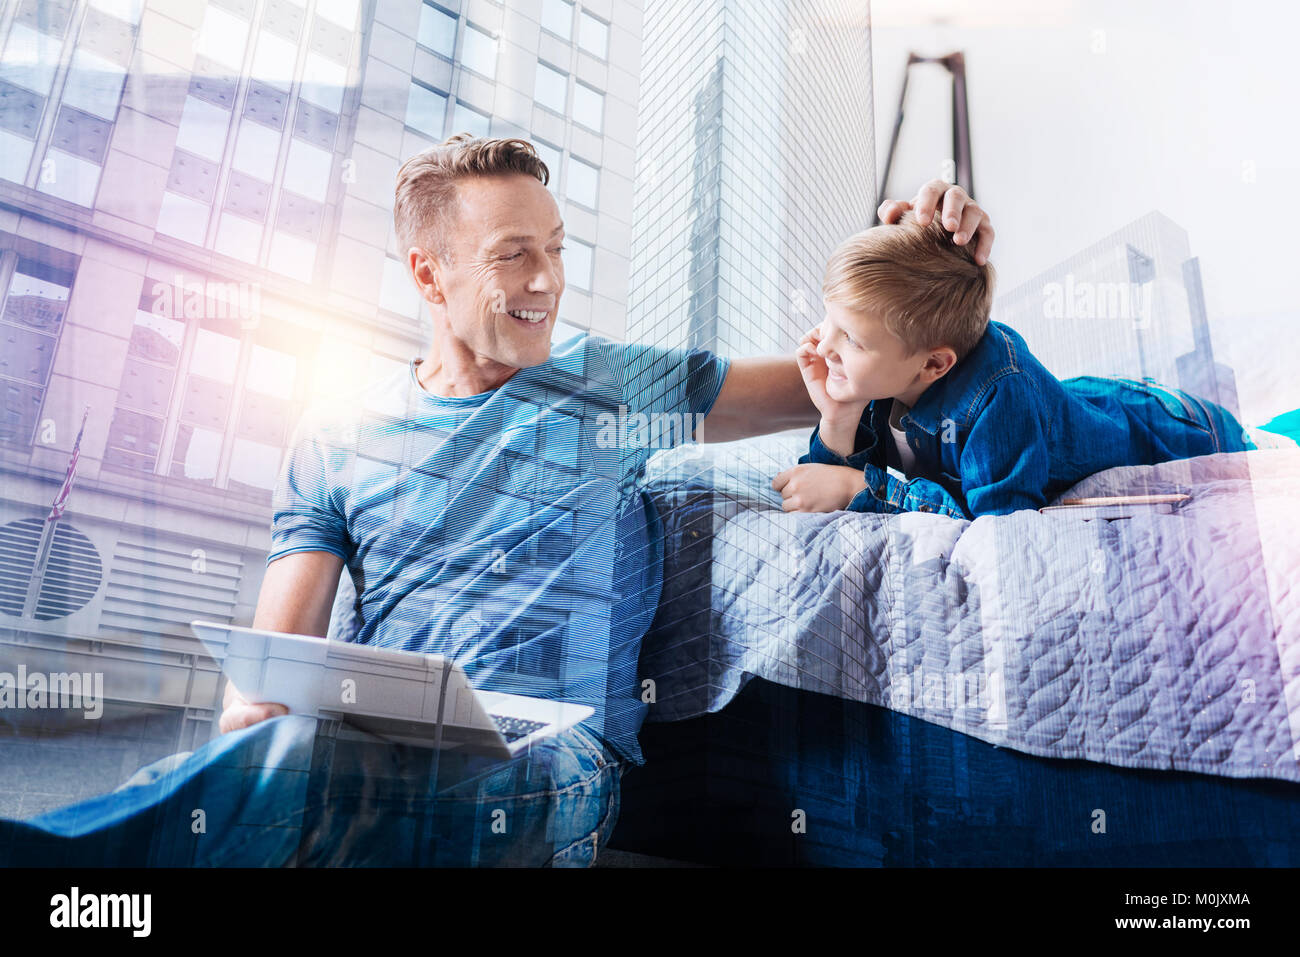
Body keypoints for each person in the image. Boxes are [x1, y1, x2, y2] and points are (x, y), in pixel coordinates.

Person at [0, 137, 993, 867]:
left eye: (556, 248)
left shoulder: (615, 391)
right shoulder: (337, 437)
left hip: (555, 769)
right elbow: (275, 671)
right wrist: (243, 744)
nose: (549, 281)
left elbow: (855, 374)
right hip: (373, 744)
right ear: (428, 274)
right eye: (514, 254)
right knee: (285, 751)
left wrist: (937, 273)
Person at [772, 211, 1254, 518]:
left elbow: (1000, 523)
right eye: (828, 319)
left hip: (1176, 424)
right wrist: (837, 419)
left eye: (850, 338)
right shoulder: (881, 372)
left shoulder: (997, 396)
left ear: (934, 365)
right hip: (1085, 397)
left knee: (1262, 439)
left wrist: (868, 487)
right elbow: (817, 491)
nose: (825, 344)